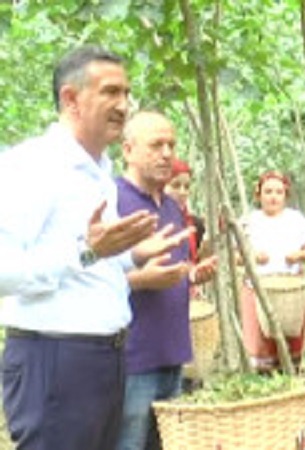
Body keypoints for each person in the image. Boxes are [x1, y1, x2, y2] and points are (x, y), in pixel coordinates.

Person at [0, 46, 188, 450]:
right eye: (110, 92)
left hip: (106, 359)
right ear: (71, 98)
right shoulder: (33, 165)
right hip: (54, 359)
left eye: (127, 93)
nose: (124, 105)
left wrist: (131, 253)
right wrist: (88, 250)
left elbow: (93, 265)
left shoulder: (100, 172)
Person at [114, 111, 218, 450]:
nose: (166, 153)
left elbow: (173, 270)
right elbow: (87, 278)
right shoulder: (113, 200)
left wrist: (191, 274)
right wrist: (140, 280)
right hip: (131, 360)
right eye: (156, 145)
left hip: (173, 355)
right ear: (127, 150)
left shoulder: (172, 208)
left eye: (171, 145)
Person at [240, 170, 305, 373]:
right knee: (260, 343)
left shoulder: (296, 219)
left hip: (289, 290)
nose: (273, 197)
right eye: (268, 192)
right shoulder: (249, 221)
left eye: (278, 192)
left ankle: (290, 380)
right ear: (258, 195)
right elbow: (235, 256)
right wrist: (253, 257)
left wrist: (297, 255)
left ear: (285, 195)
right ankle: (263, 386)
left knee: (289, 339)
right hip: (257, 288)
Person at [165, 158, 206, 264]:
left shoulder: (195, 225)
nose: (182, 192)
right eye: (176, 185)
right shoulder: (150, 222)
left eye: (186, 187)